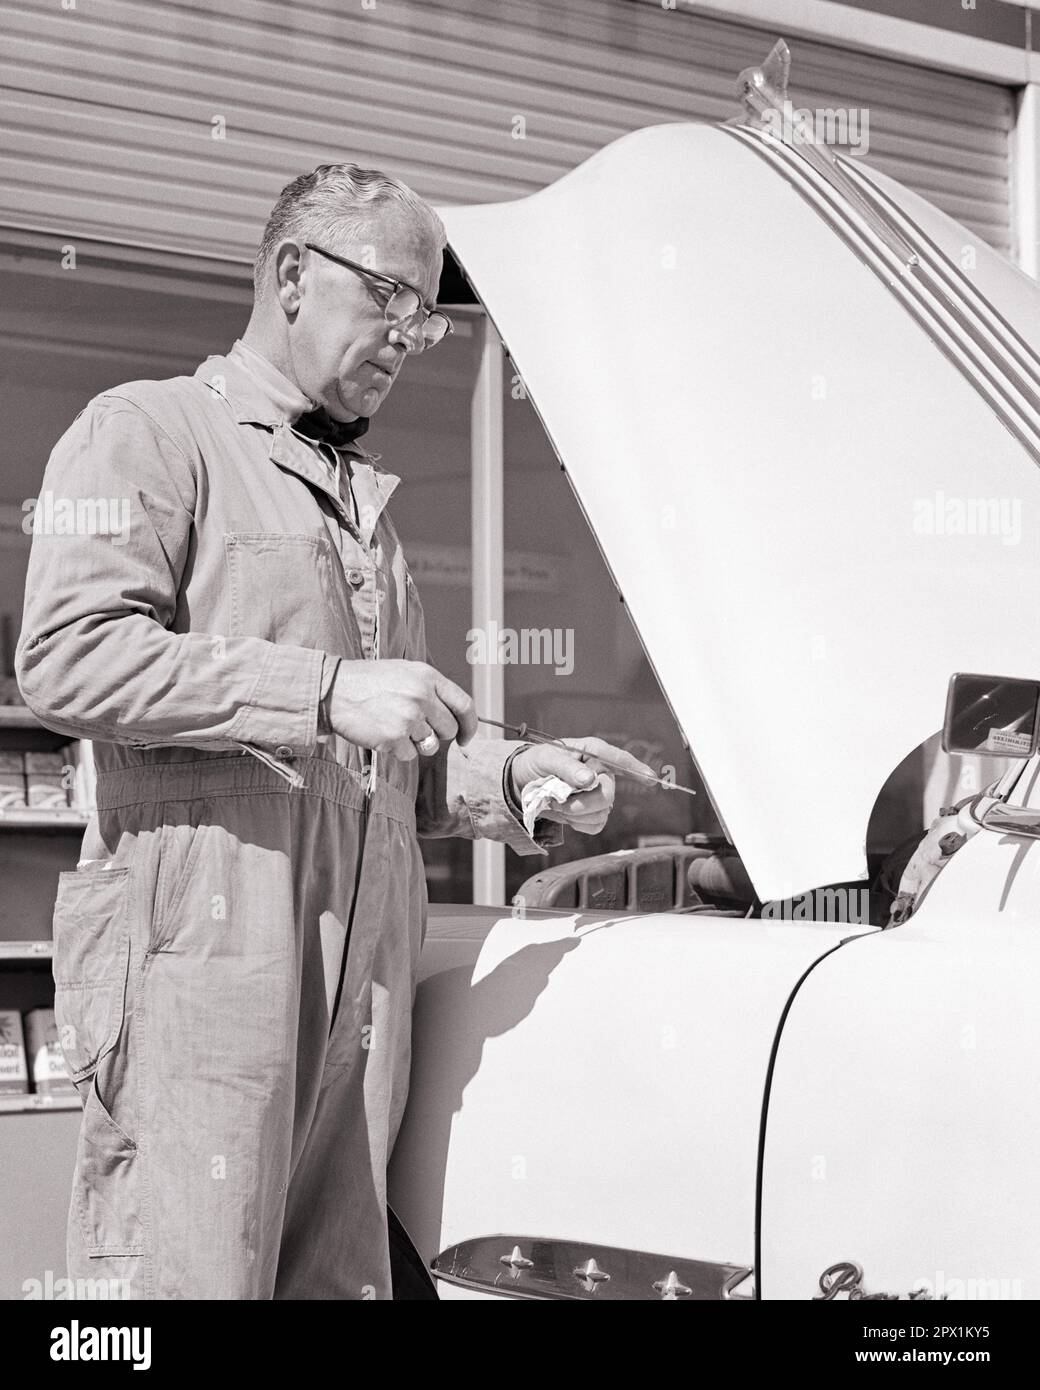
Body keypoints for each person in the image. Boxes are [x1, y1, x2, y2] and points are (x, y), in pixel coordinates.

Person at [16, 164, 647, 1300]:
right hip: (201, 990)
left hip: (360, 1012)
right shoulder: (147, 433)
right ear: (292, 274)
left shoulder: (363, 511)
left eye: (424, 315)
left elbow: (380, 755)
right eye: (387, 296)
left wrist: (512, 779)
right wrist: (321, 688)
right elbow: (63, 657)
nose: (407, 334)